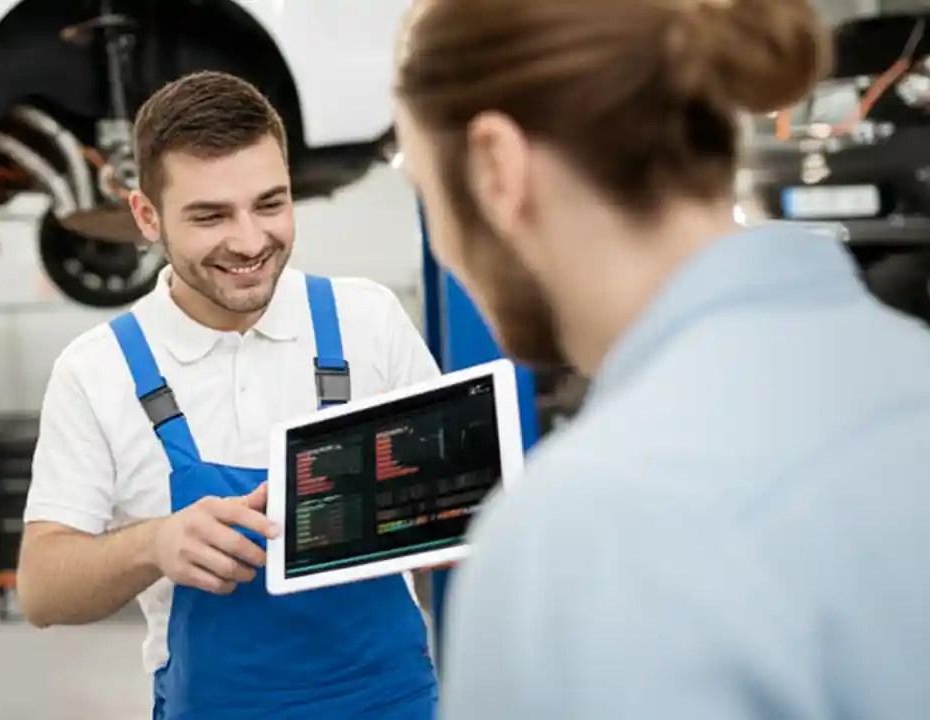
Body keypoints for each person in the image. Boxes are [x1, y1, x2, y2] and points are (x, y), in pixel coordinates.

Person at [393, 0, 930, 717]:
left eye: (426, 191)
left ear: (496, 166)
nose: (449, 252)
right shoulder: (907, 373)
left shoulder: (575, 540)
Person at [17, 71, 440, 719]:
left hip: (392, 701)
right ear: (147, 215)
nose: (248, 242)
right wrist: (152, 544)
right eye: (210, 216)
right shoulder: (96, 371)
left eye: (270, 204)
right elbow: (42, 590)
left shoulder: (369, 322)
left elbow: (459, 515)